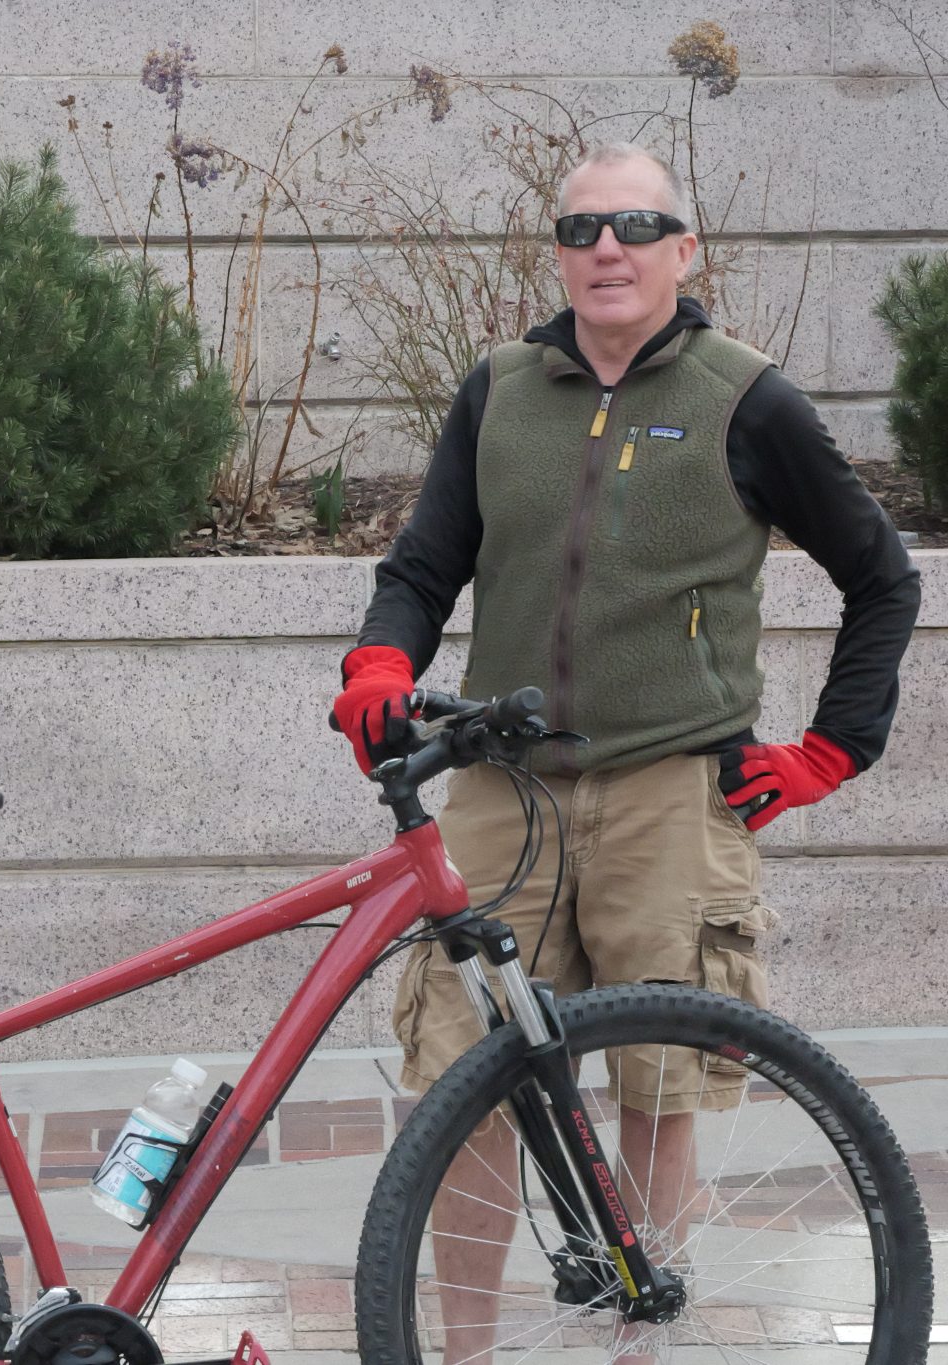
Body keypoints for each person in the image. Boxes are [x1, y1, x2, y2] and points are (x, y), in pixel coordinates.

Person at [330, 142, 921, 1360]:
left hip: (670, 790)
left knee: (656, 1087)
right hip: (501, 785)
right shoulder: (498, 389)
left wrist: (829, 751)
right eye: (585, 228)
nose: (610, 248)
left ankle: (634, 1348)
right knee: (462, 1078)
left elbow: (880, 580)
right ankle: (461, 1354)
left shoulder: (744, 398)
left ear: (680, 250)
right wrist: (378, 665)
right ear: (556, 250)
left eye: (638, 226)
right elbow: (422, 566)